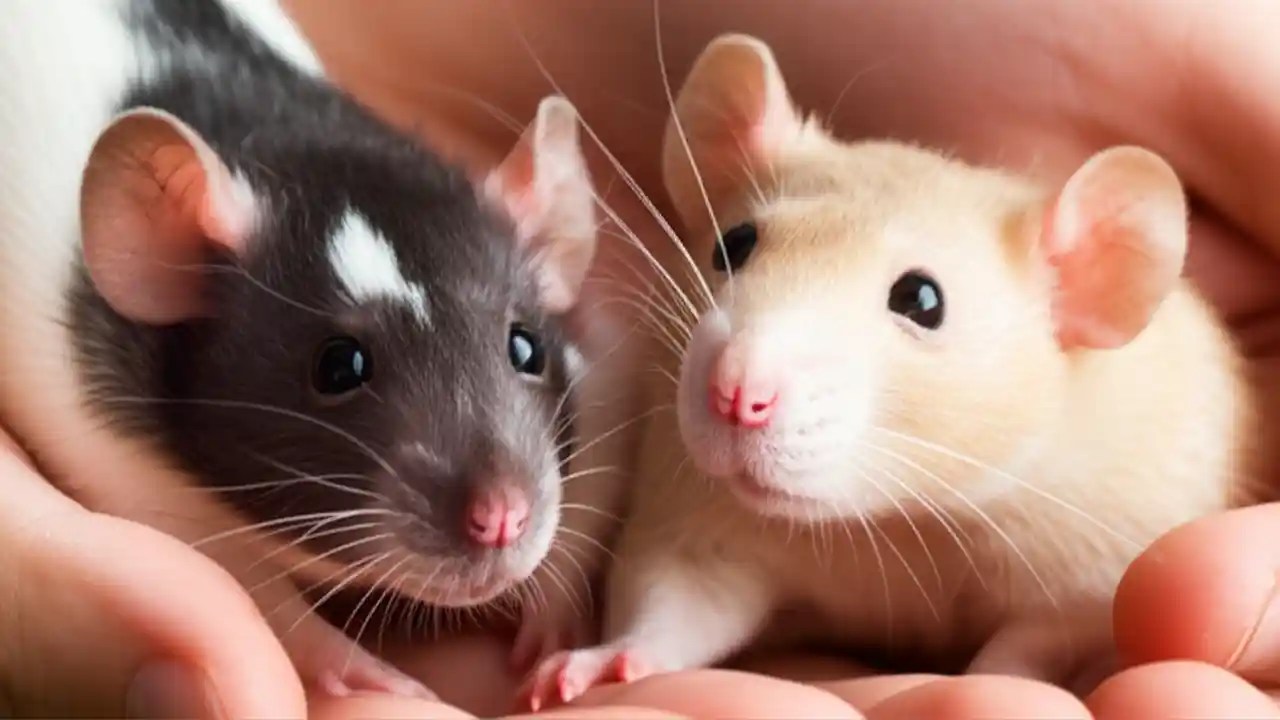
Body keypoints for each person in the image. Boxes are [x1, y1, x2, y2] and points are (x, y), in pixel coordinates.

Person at [6, 0, 1280, 716]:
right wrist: (636, 638)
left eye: (522, 344)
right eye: (735, 249)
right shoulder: (145, 298)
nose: (742, 367)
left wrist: (1032, 651)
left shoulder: (1145, 441)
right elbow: (685, 538)